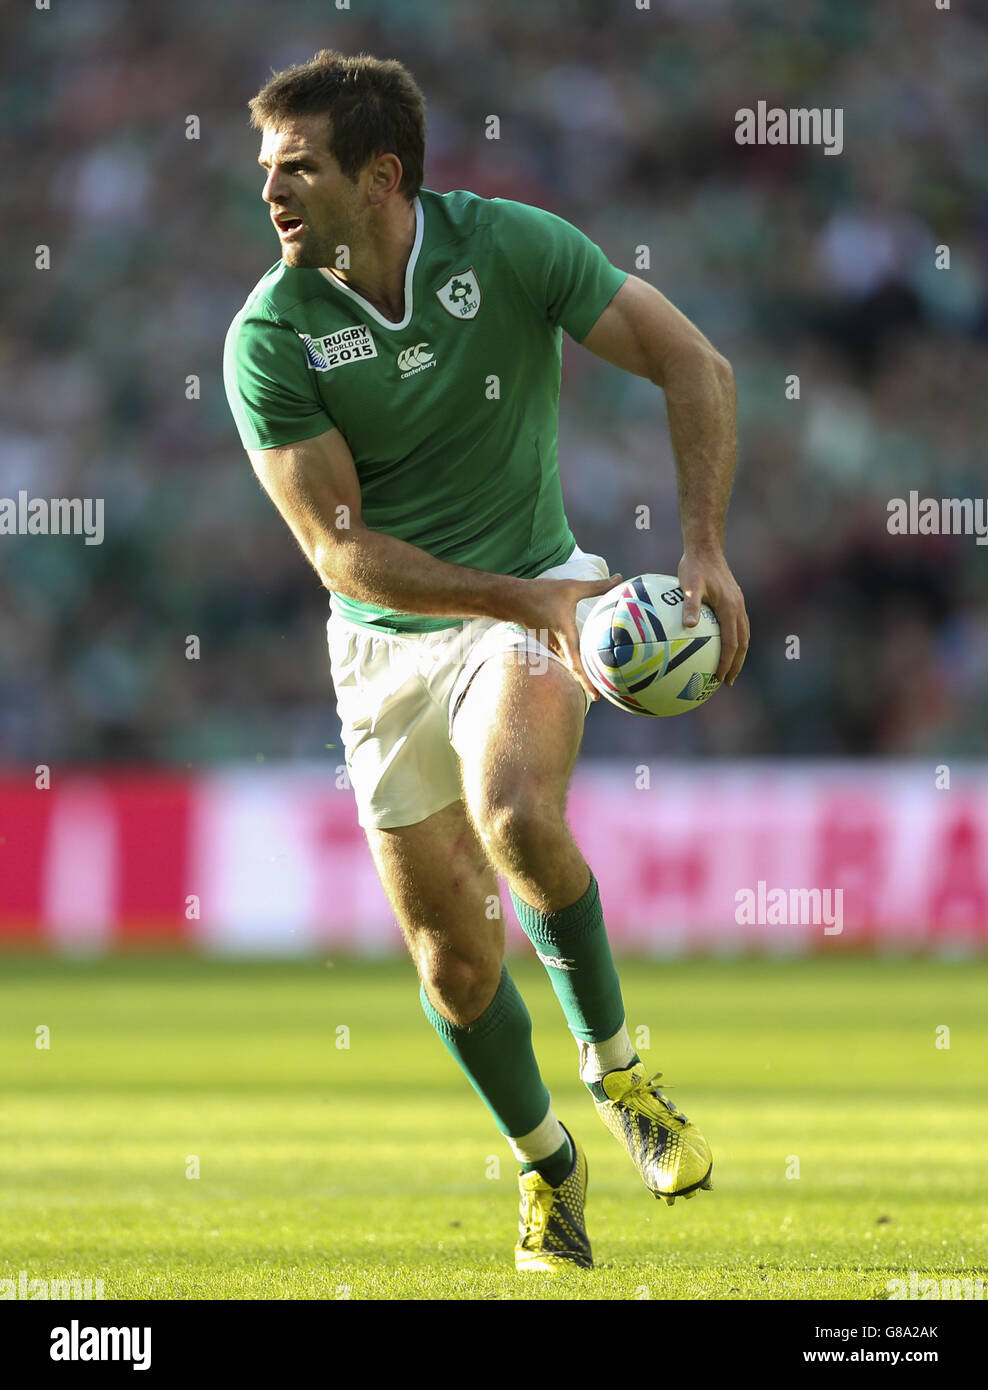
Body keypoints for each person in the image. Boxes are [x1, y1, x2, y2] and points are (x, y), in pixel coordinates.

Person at [223, 49, 749, 1272]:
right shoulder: (271, 334)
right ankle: (545, 1162)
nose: (271, 194)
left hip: (536, 599)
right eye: (264, 172)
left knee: (516, 812)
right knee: (456, 964)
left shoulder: (509, 247)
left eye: (297, 169)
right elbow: (343, 554)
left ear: (382, 176)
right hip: (386, 645)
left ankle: (621, 1078)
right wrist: (530, 599)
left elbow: (697, 365)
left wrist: (704, 550)